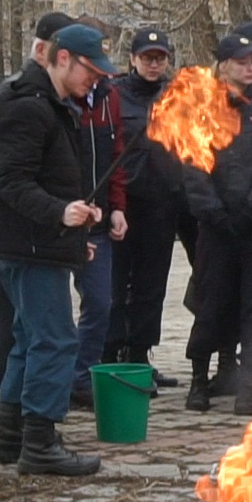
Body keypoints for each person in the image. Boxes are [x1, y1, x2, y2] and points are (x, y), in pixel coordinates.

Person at [0, 23, 119, 477]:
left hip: (32, 243)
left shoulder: (50, 103)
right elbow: (10, 181)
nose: (96, 79)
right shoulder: (29, 105)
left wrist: (75, 229)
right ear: (63, 58)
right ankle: (40, 443)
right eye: (91, 70)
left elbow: (47, 180)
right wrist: (61, 215)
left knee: (28, 339)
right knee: (54, 339)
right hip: (25, 247)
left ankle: (7, 437)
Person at [0, 11, 72, 445]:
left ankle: (6, 427)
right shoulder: (19, 97)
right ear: (47, 50)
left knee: (24, 331)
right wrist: (52, 209)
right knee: (9, 326)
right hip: (13, 235)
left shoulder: (55, 98)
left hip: (37, 233)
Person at [182, 30, 252, 415]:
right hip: (217, 225)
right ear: (224, 65)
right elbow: (193, 167)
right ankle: (199, 379)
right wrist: (214, 212)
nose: (250, 68)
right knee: (211, 301)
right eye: (242, 62)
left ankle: (248, 383)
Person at [105, 28, 185, 388]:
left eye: (160, 58)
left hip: (162, 201)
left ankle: (139, 355)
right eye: (147, 58)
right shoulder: (115, 94)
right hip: (123, 202)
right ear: (133, 59)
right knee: (116, 284)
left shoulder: (176, 94)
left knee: (151, 286)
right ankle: (110, 353)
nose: (154, 64)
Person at [67, 17, 130, 409]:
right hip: (60, 220)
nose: (97, 74)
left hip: (97, 221)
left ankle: (80, 377)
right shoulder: (58, 100)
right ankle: (51, 383)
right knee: (52, 314)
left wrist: (117, 207)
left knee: (100, 304)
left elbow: (117, 156)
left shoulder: (110, 97)